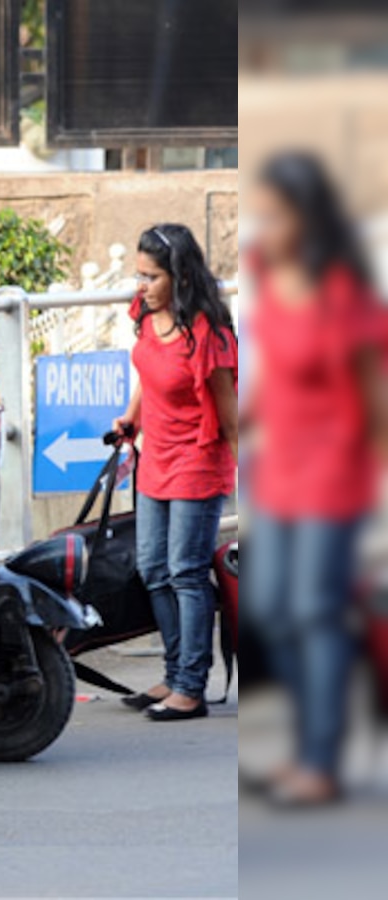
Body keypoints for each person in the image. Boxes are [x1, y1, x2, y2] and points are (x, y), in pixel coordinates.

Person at [243, 153, 384, 805]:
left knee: (313, 610)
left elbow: (375, 399)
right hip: (278, 473)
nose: (262, 225)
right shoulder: (271, 280)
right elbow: (270, 374)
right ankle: (308, 748)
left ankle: (319, 760)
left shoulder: (343, 297)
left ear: (307, 215)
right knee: (270, 608)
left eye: (274, 213)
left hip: (333, 472)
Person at [113, 224, 238, 722]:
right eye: (138, 275)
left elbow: (232, 418)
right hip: (156, 458)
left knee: (186, 573)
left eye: (151, 276)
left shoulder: (209, 333)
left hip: (199, 459)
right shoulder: (147, 314)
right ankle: (173, 672)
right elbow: (148, 373)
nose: (140, 286)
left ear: (181, 275)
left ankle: (191, 686)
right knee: (152, 569)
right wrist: (131, 419)